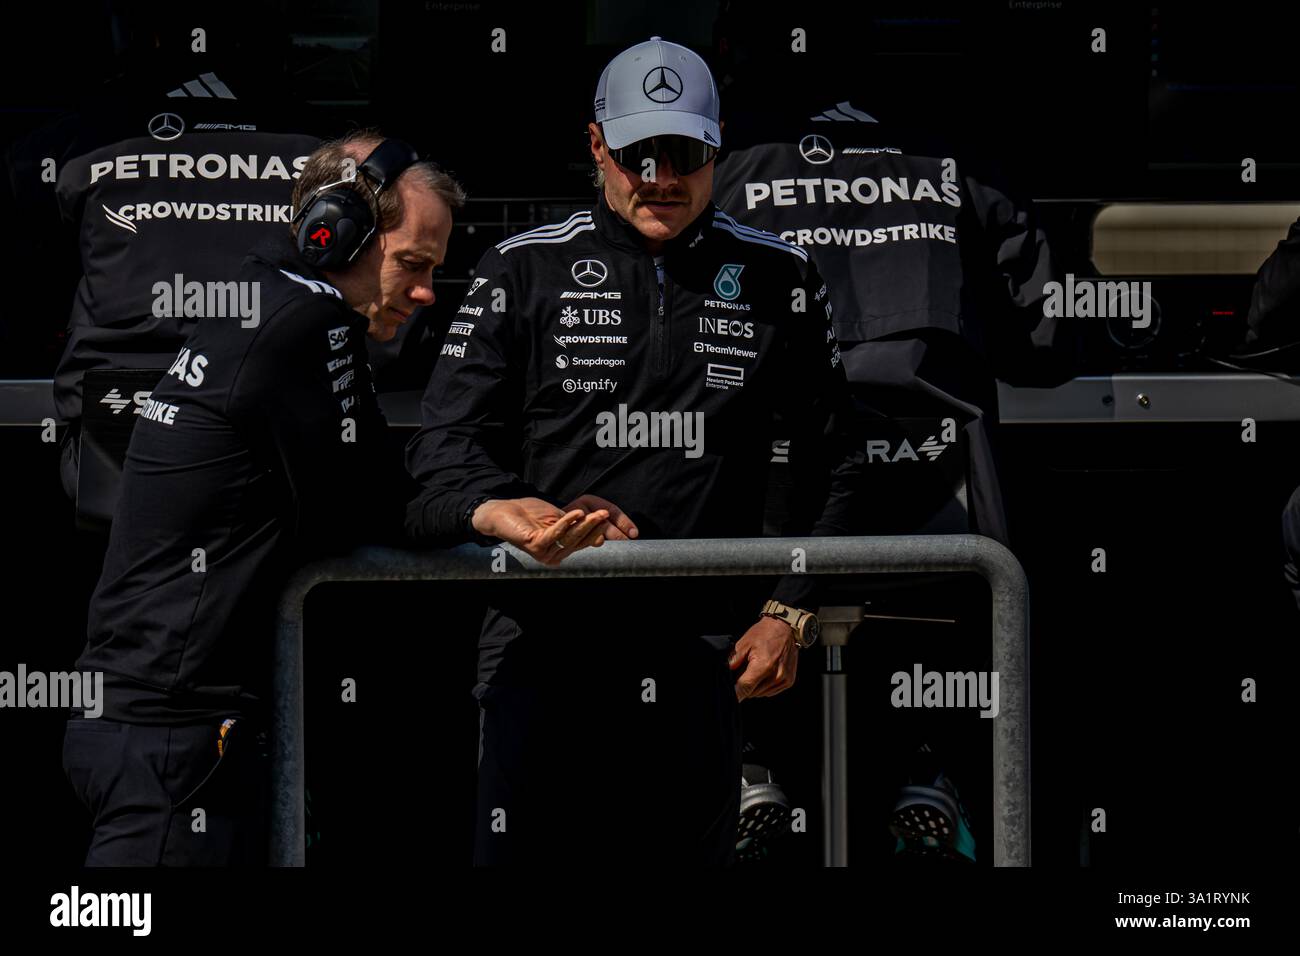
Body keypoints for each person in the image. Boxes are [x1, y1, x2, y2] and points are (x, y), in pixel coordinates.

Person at [405, 36, 867, 866]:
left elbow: (834, 461)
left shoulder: (781, 276)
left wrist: (787, 609)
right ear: (596, 146)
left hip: (698, 652)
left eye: (684, 153)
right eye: (637, 154)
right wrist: (511, 511)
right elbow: (441, 452)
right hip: (539, 644)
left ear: (717, 145)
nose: (660, 176)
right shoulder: (520, 269)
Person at [709, 7, 1071, 863]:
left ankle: (754, 767)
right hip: (941, 513)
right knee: (942, 642)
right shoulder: (960, 159)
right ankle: (926, 771)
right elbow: (1048, 346)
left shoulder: (718, 159)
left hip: (777, 504)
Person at [62, 131, 468, 865]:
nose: (425, 293)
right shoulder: (301, 322)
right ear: (334, 232)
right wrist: (488, 511)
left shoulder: (263, 303)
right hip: (174, 738)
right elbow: (377, 504)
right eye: (412, 263)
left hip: (155, 726)